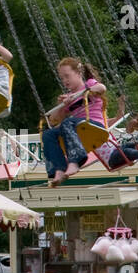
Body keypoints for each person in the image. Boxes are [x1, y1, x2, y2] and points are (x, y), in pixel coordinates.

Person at [42, 57, 107, 186]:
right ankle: (59, 168)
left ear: (78, 73)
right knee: (48, 134)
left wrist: (81, 94)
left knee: (69, 122)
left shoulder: (89, 84)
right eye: (62, 78)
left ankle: (75, 161)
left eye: (67, 76)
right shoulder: (68, 97)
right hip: (77, 128)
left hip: (92, 124)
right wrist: (61, 105)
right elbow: (55, 120)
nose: (65, 81)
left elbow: (102, 88)